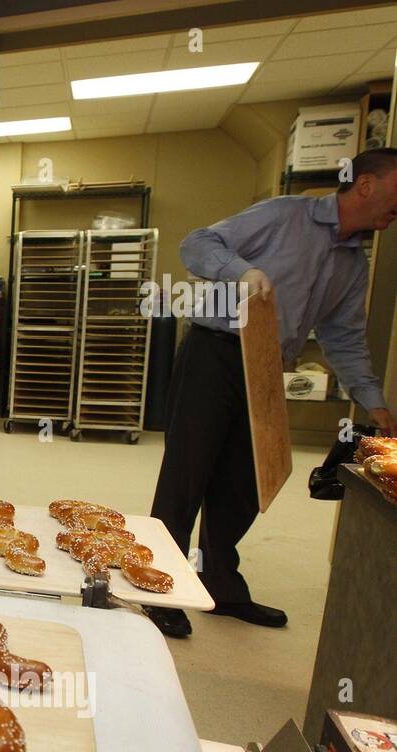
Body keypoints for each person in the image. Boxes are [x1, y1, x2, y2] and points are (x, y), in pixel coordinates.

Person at [146, 148, 397, 639]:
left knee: (244, 481)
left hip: (264, 369)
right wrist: (241, 272)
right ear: (366, 184)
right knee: (187, 473)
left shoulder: (353, 264)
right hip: (214, 351)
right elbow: (198, 243)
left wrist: (375, 401)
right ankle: (162, 588)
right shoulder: (285, 214)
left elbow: (343, 337)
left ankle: (219, 587)